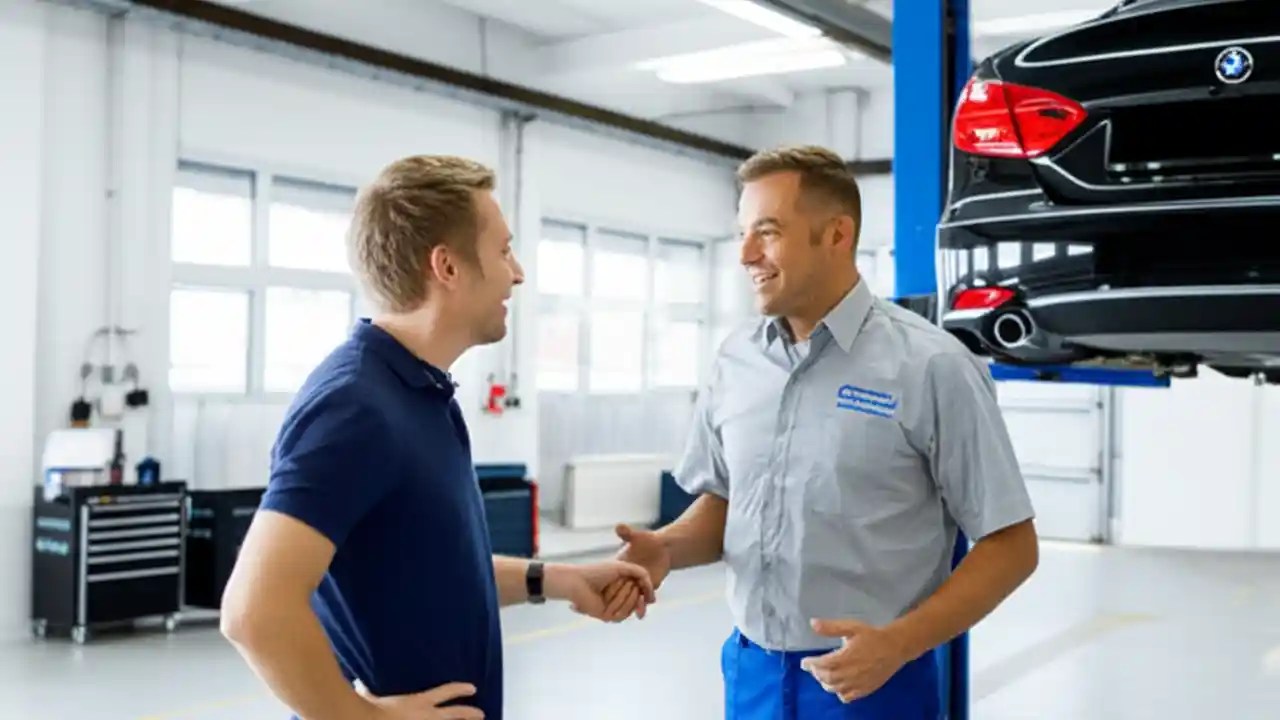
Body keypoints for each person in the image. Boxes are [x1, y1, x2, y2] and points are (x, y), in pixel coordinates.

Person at [602, 145, 1039, 719]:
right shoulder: (735, 362)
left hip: (873, 683)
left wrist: (900, 643)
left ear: (837, 235)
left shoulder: (932, 366)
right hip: (751, 673)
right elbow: (727, 502)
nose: (746, 254)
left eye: (768, 231)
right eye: (742, 233)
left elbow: (1012, 545)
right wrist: (666, 547)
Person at [220, 155, 655, 720]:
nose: (517, 273)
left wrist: (556, 579)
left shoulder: (421, 393)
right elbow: (253, 611)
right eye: (502, 251)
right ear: (446, 266)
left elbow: (424, 569)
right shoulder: (354, 405)